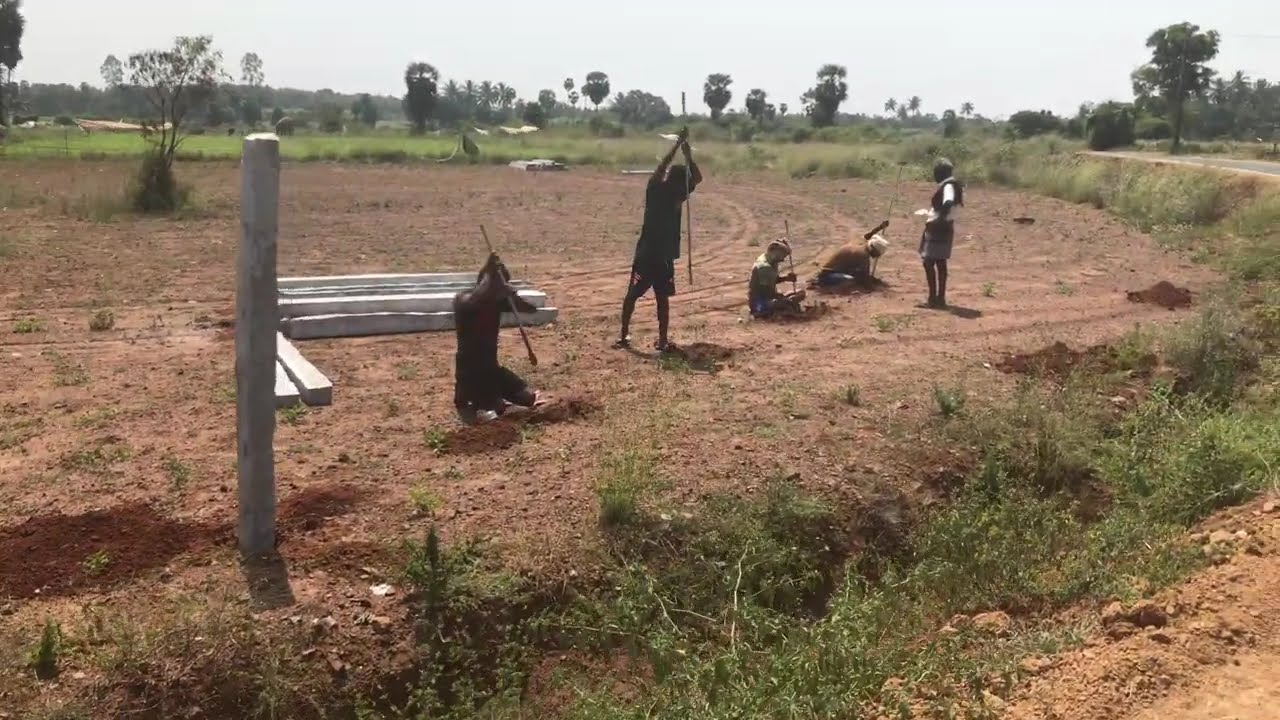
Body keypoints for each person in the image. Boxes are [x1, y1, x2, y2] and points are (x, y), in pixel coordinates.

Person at [614, 126, 703, 352]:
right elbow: (695, 177)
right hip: (656, 255)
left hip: (650, 255)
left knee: (636, 296)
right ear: (678, 182)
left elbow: (667, 169)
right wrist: (685, 152)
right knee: (655, 298)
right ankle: (654, 339)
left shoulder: (658, 190)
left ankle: (627, 335)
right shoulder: (671, 193)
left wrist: (679, 149)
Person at [453, 252, 540, 424]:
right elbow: (475, 300)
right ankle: (476, 405)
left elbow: (531, 309)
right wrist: (489, 272)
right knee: (492, 412)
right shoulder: (463, 300)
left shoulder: (496, 302)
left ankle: (497, 400)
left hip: (491, 368)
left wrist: (512, 294)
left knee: (528, 398)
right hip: (470, 373)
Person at [919, 158, 964, 309]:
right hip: (945, 227)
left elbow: (948, 202)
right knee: (940, 262)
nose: (934, 175)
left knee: (929, 262)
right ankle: (940, 299)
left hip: (939, 228)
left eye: (936, 172)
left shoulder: (948, 186)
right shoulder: (952, 185)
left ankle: (933, 299)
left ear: (941, 172)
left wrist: (939, 218)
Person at [814, 229, 891, 290]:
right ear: (874, 250)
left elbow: (862, 275)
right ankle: (829, 290)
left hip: (833, 272)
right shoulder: (863, 256)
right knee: (850, 281)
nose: (877, 256)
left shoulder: (860, 247)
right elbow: (865, 280)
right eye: (878, 254)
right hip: (827, 276)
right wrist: (874, 288)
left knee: (855, 277)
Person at [748, 240, 806, 318]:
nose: (783, 259)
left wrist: (786, 278)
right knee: (787, 302)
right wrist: (783, 298)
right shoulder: (764, 266)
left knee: (800, 293)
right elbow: (766, 291)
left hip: (768, 297)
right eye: (783, 255)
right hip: (760, 302)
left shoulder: (769, 260)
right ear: (776, 253)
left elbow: (772, 280)